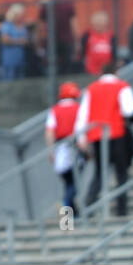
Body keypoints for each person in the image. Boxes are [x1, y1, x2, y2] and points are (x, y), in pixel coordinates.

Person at [76, 61, 133, 216]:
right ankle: (121, 209)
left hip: (97, 136)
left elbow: (82, 115)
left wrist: (81, 137)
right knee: (121, 173)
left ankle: (88, 205)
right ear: (116, 72)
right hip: (116, 134)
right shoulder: (121, 86)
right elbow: (130, 110)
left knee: (100, 172)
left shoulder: (91, 89)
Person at [45, 81, 83, 217]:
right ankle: (66, 206)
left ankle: (71, 216)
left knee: (68, 183)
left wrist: (51, 151)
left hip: (60, 148)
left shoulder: (55, 110)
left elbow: (49, 131)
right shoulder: (78, 108)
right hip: (75, 147)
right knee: (73, 183)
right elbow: (82, 129)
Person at [37, 0, 80, 75]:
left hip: (53, 40)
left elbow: (41, 25)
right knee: (65, 67)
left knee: (53, 66)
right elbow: (74, 24)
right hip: (63, 39)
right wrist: (77, 41)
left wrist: (41, 39)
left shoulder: (47, 5)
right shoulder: (66, 4)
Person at [0, 4, 30, 81]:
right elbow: (4, 40)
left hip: (21, 60)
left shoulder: (22, 26)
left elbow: (26, 39)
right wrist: (19, 41)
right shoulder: (7, 25)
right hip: (10, 60)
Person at [80, 11, 116, 77]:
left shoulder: (111, 36)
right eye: (97, 23)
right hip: (90, 71)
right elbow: (82, 51)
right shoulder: (87, 35)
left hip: (107, 71)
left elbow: (114, 53)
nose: (99, 25)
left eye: (101, 22)